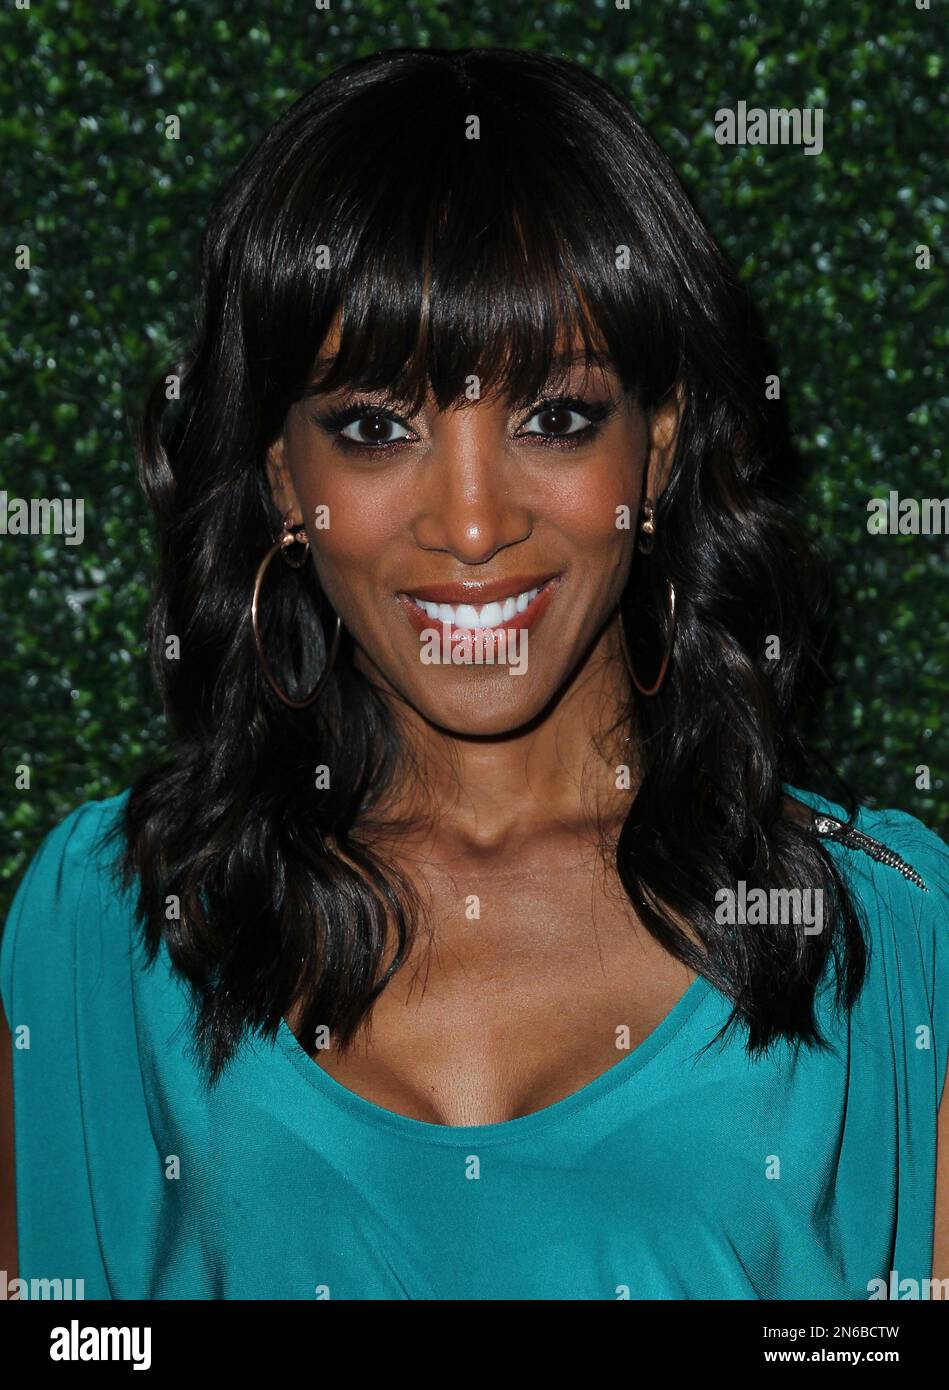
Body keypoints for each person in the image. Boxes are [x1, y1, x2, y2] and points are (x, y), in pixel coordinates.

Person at [1, 45, 947, 1302]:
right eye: (373, 427)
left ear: (657, 449)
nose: (468, 520)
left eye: (555, 416)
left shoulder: (883, 929)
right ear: (284, 477)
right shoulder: (106, 918)